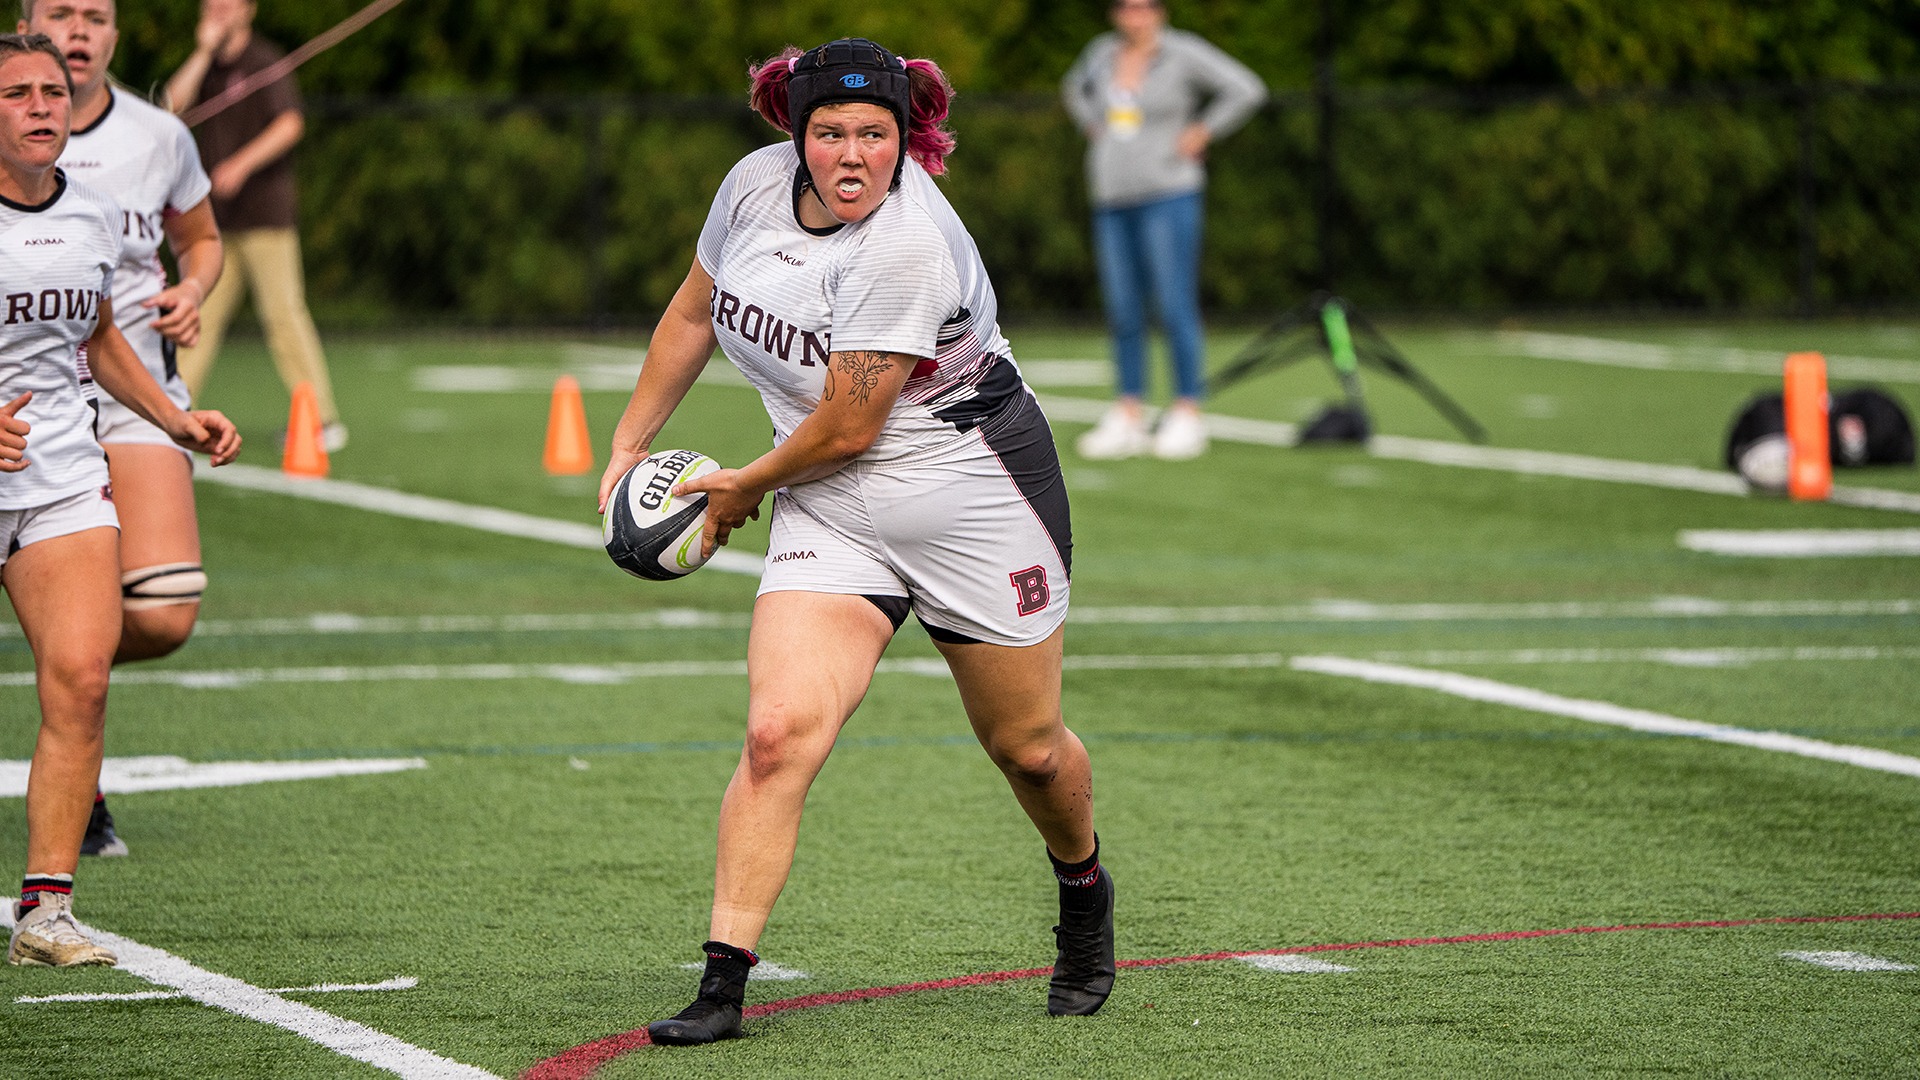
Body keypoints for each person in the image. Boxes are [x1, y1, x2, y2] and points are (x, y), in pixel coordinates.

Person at [597, 38, 1112, 1044]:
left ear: (906, 138)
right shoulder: (750, 190)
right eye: (828, 132)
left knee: (1030, 749)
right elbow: (694, 309)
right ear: (794, 134)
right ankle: (723, 983)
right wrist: (628, 444)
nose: (851, 155)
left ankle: (1083, 886)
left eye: (874, 134)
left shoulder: (906, 241)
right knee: (777, 732)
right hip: (829, 500)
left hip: (970, 492)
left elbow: (849, 424)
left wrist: (733, 490)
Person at [0, 32, 239, 967]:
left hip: (59, 478)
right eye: (16, 92)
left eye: (51, 91)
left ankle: (46, 912)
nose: (40, 105)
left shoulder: (95, 215)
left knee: (82, 678)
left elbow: (99, 341)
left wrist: (172, 420)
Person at [1062, 0, 1265, 460]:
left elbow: (1246, 89)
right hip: (1112, 195)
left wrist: (1202, 131)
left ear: (1160, 11)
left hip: (1169, 192)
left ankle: (1186, 409)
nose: (1135, 16)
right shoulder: (1100, 53)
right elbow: (1074, 89)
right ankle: (1129, 410)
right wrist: (1092, 124)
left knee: (1174, 303)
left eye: (1144, 7)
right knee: (1123, 307)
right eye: (1126, 7)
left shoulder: (1184, 52)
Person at [164, 0, 343, 451]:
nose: (219, 9)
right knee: (198, 315)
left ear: (250, 9)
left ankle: (321, 419)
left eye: (229, 2)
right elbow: (168, 108)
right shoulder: (205, 66)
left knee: (284, 314)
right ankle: (172, 413)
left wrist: (241, 165)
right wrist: (202, 52)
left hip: (265, 215)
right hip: (217, 222)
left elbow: (289, 124)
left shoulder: (265, 59)